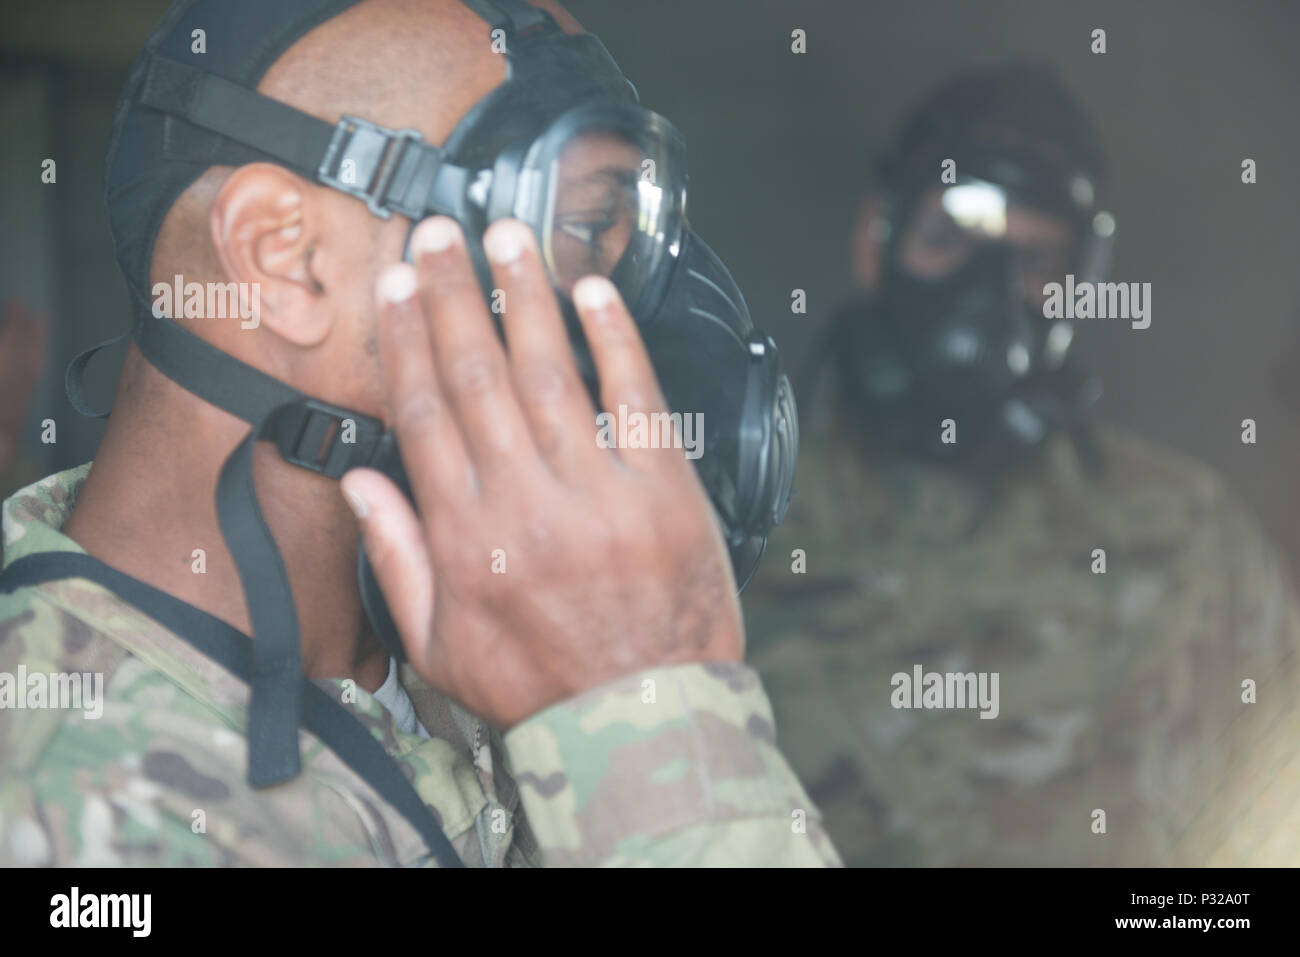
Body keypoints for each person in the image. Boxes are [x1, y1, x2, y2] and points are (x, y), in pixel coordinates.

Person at [0, 0, 835, 867]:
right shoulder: (71, 813)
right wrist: (656, 728)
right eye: (584, 229)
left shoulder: (507, 645)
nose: (631, 296)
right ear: (285, 259)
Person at [742, 62, 1300, 866]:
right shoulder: (735, 526)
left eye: (1030, 261)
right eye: (949, 240)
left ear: (1080, 286)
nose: (984, 297)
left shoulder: (1191, 538)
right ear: (877, 239)